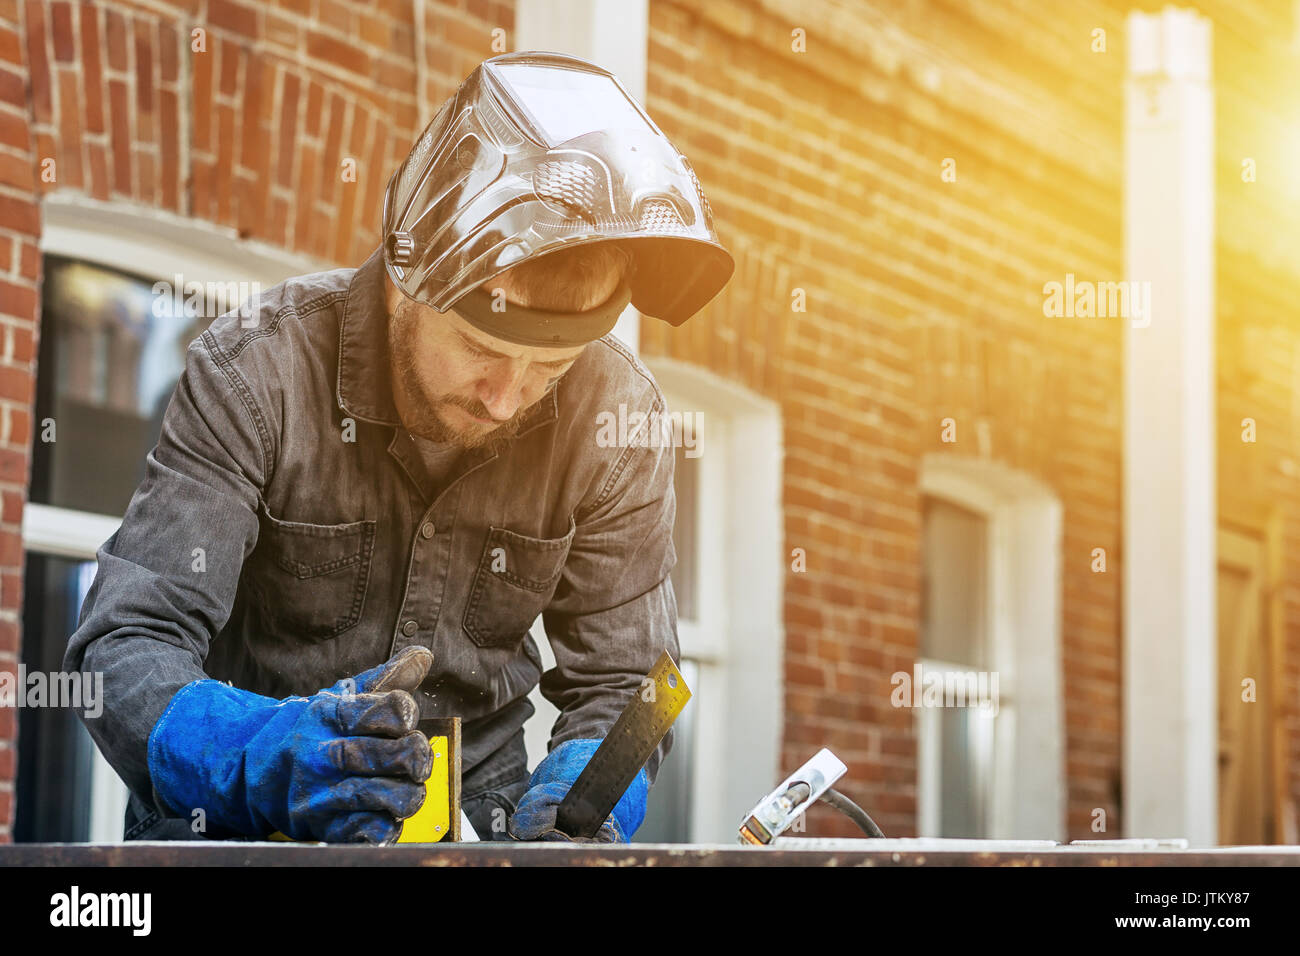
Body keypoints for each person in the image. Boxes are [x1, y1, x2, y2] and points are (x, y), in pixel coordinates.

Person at [63, 50, 732, 844]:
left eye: (548, 368)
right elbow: (124, 645)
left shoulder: (615, 416)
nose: (506, 396)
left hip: (478, 837)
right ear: (406, 283)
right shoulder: (256, 372)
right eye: (481, 349)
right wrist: (263, 758)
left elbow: (630, 682)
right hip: (244, 841)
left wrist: (581, 809)